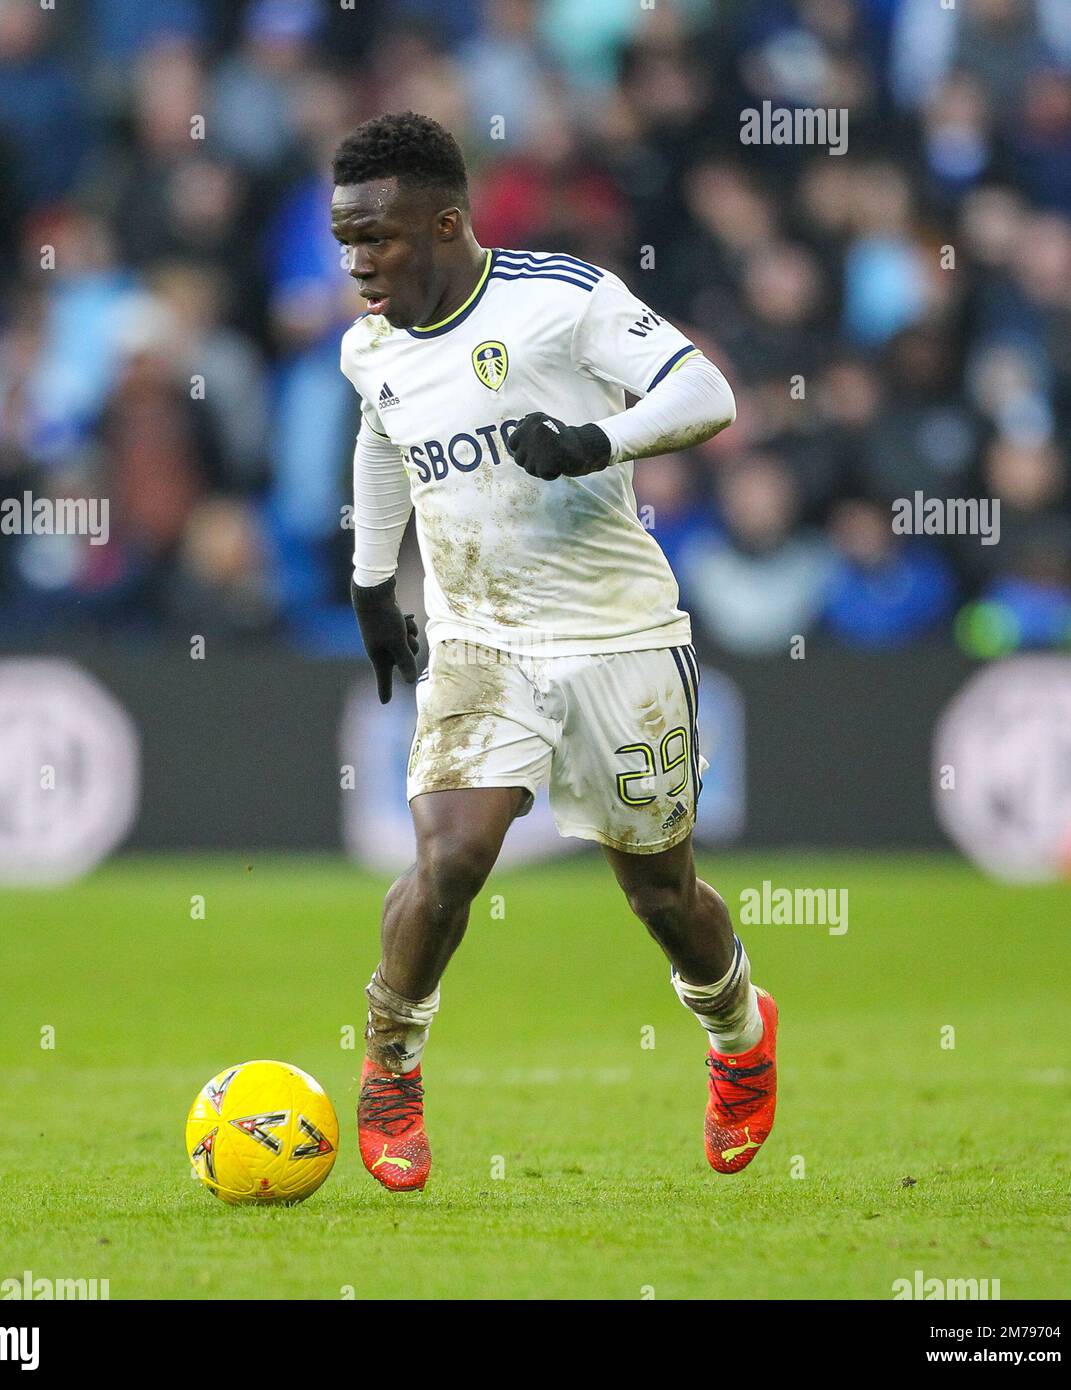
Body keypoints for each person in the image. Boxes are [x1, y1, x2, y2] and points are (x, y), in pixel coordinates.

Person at [332, 111, 776, 1192]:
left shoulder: (560, 298)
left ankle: (737, 1032)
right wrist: (371, 581)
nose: (357, 263)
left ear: (446, 224)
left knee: (661, 897)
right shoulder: (369, 346)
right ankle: (390, 1068)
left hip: (619, 635)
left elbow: (707, 393)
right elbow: (381, 436)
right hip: (479, 636)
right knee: (449, 858)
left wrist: (594, 440)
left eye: (376, 237)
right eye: (345, 240)